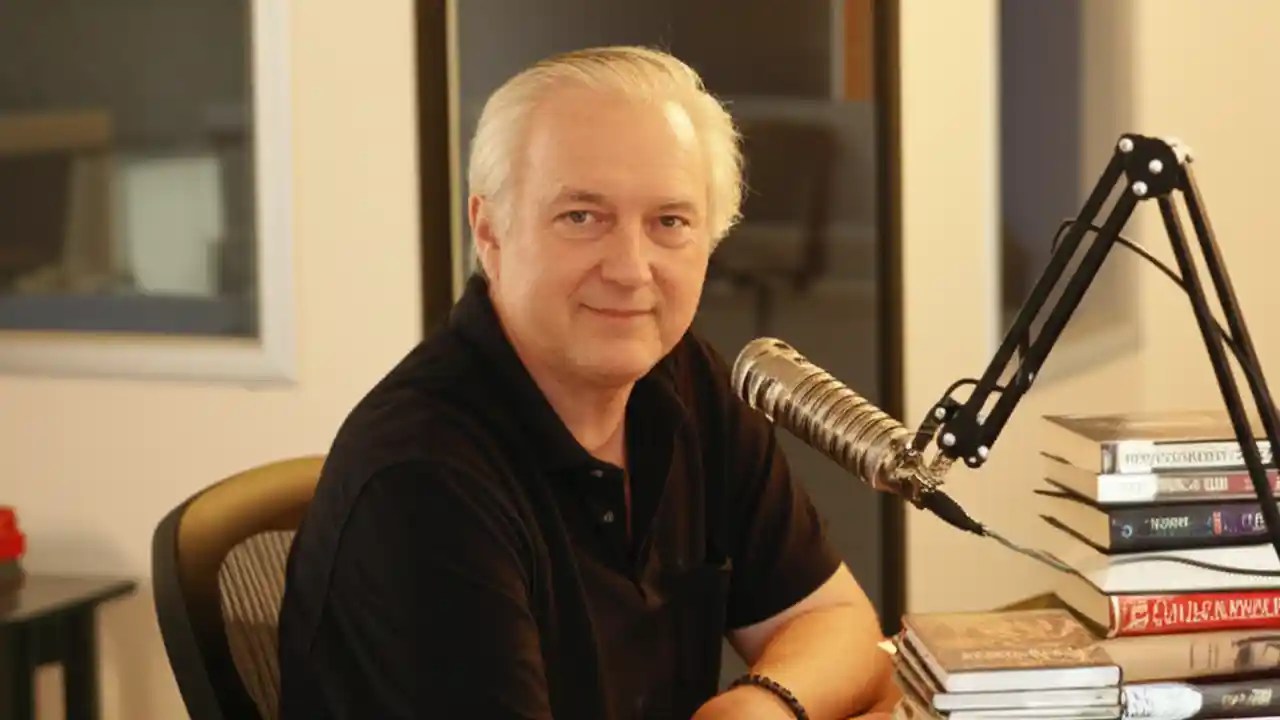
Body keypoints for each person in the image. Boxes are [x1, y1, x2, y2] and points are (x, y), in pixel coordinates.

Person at [277, 45, 900, 720]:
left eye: (670, 222)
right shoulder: (423, 479)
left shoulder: (683, 379)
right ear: (490, 230)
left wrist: (760, 706)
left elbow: (841, 626)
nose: (632, 269)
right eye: (582, 217)